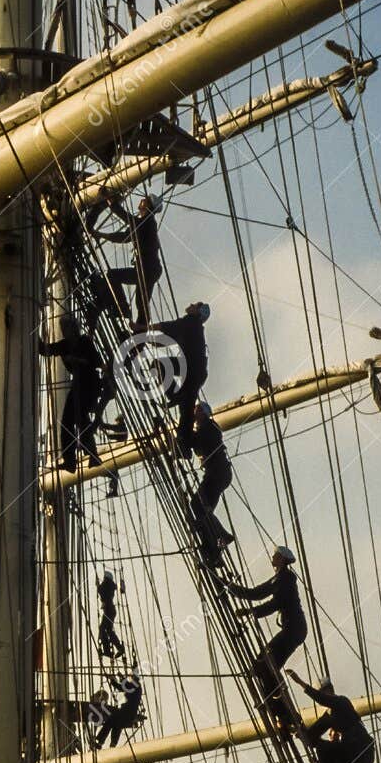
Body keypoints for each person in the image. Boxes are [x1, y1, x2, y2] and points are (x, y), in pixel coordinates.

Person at [225, 546, 307, 728]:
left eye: (275, 555)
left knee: (265, 665)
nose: (272, 557)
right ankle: (282, 713)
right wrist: (232, 588)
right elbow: (256, 593)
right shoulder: (279, 578)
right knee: (264, 666)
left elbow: (275, 603)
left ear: (282, 559)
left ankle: (284, 713)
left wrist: (251, 612)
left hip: (294, 629)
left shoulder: (286, 578)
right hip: (293, 630)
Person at [40, 313, 106, 472]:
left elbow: (97, 362)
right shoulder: (64, 345)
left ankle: (87, 455)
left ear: (74, 328)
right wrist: (32, 333)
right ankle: (73, 459)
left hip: (89, 383)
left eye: (66, 327)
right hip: (78, 384)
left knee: (79, 418)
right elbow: (46, 350)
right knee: (69, 422)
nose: (64, 331)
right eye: (62, 328)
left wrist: (77, 361)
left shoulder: (85, 341)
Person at [148, 302, 210, 453]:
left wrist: (141, 329)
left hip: (191, 367)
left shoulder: (191, 322)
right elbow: (165, 339)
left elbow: (167, 327)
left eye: (195, 305)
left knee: (159, 365)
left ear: (198, 312)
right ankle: (184, 443)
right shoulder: (192, 328)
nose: (191, 305)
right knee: (186, 408)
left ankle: (174, 395)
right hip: (196, 370)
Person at [103, 195, 163, 331]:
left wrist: (112, 203)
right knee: (139, 302)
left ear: (149, 206)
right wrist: (102, 235)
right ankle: (127, 315)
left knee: (140, 302)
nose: (142, 200)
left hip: (149, 269)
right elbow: (125, 237)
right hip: (145, 269)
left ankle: (136, 326)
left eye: (145, 199)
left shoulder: (148, 221)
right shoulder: (141, 223)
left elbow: (130, 220)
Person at [189, 400, 234, 563]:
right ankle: (214, 551)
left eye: (198, 410)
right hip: (217, 474)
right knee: (202, 513)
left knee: (197, 504)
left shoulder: (210, 427)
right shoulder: (205, 428)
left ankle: (222, 535)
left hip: (217, 474)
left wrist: (184, 430)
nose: (195, 412)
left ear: (205, 414)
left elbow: (195, 441)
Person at [92, 673, 144, 748]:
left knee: (111, 721)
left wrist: (116, 679)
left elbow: (122, 687)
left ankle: (101, 741)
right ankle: (111, 744)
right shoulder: (136, 686)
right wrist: (117, 679)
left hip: (127, 712)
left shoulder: (135, 685)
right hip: (128, 713)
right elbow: (123, 686)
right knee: (117, 724)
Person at [96, 571, 126, 660]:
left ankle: (107, 651)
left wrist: (98, 585)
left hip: (108, 611)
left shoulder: (106, 584)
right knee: (109, 630)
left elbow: (101, 591)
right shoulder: (111, 585)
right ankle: (119, 648)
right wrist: (122, 584)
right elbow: (119, 587)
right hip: (111, 611)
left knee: (102, 629)